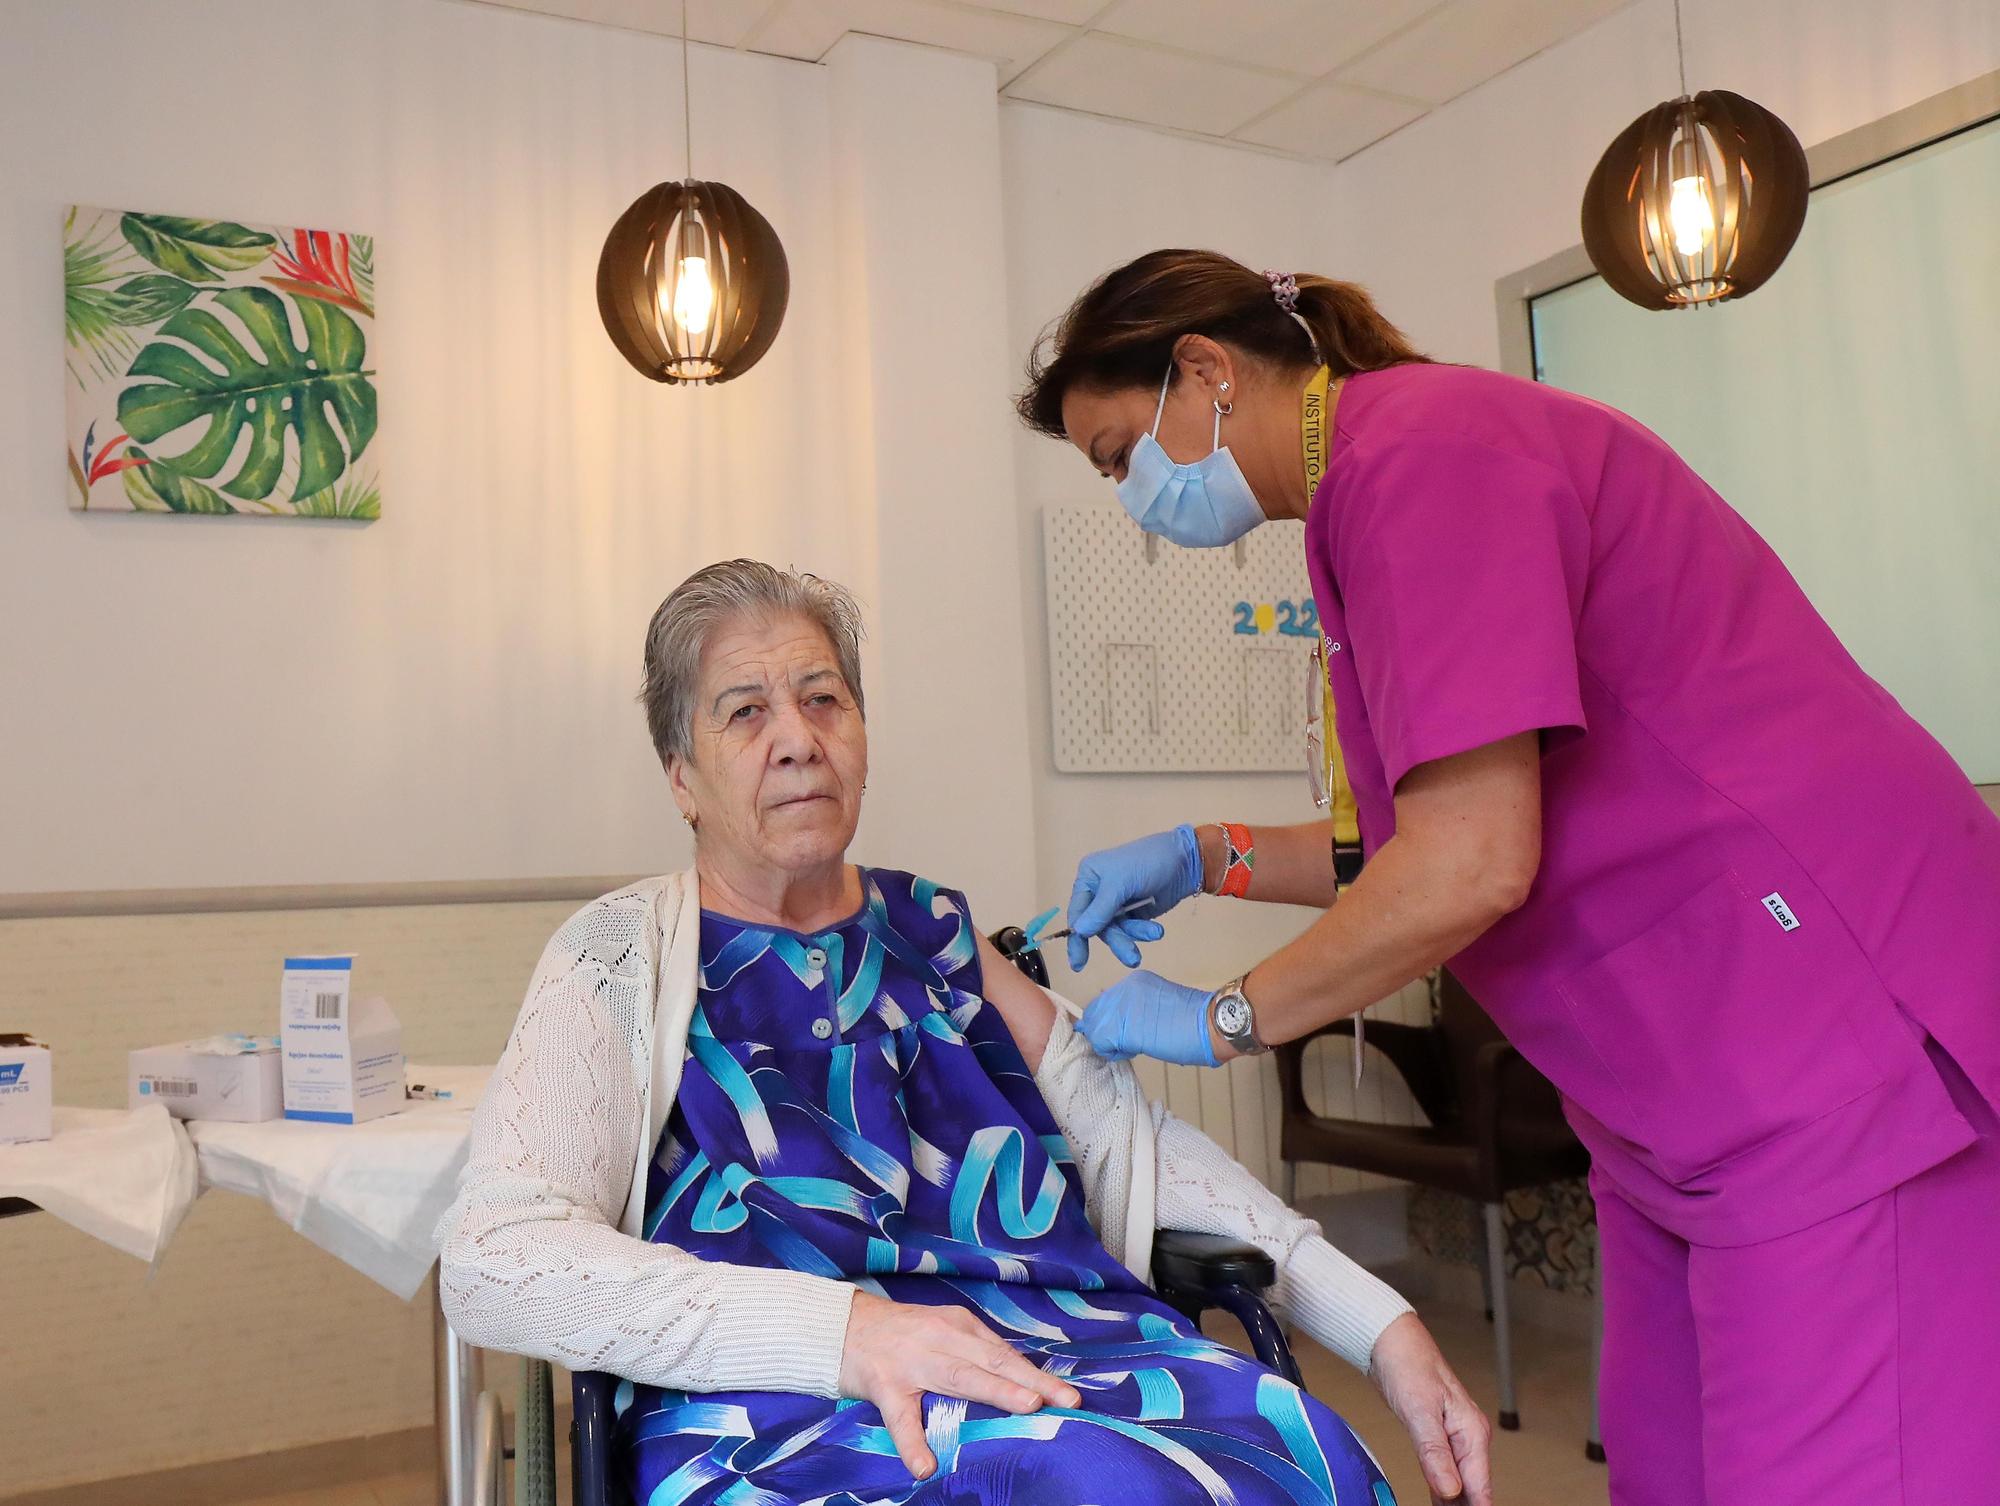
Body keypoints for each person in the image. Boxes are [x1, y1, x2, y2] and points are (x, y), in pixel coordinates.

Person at [1015, 248, 2000, 1506]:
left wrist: (1228, 1014)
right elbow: (1413, 833)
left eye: (1117, 455)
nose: (1131, 497)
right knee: (1668, 1463)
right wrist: (1208, 858)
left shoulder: (1423, 459)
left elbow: (1469, 860)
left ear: (1203, 374)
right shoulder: (1359, 504)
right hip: (1671, 1096)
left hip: (1819, 1038)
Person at [436, 559, 1492, 1505]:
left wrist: (1378, 1323)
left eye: (821, 700)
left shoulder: (936, 931)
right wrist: (845, 1333)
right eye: (744, 713)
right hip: (785, 1406)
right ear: (679, 775)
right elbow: (496, 1260)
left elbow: (1142, 1152)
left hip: (1065, 1358)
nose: (797, 740)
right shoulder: (618, 955)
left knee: (1307, 1453)